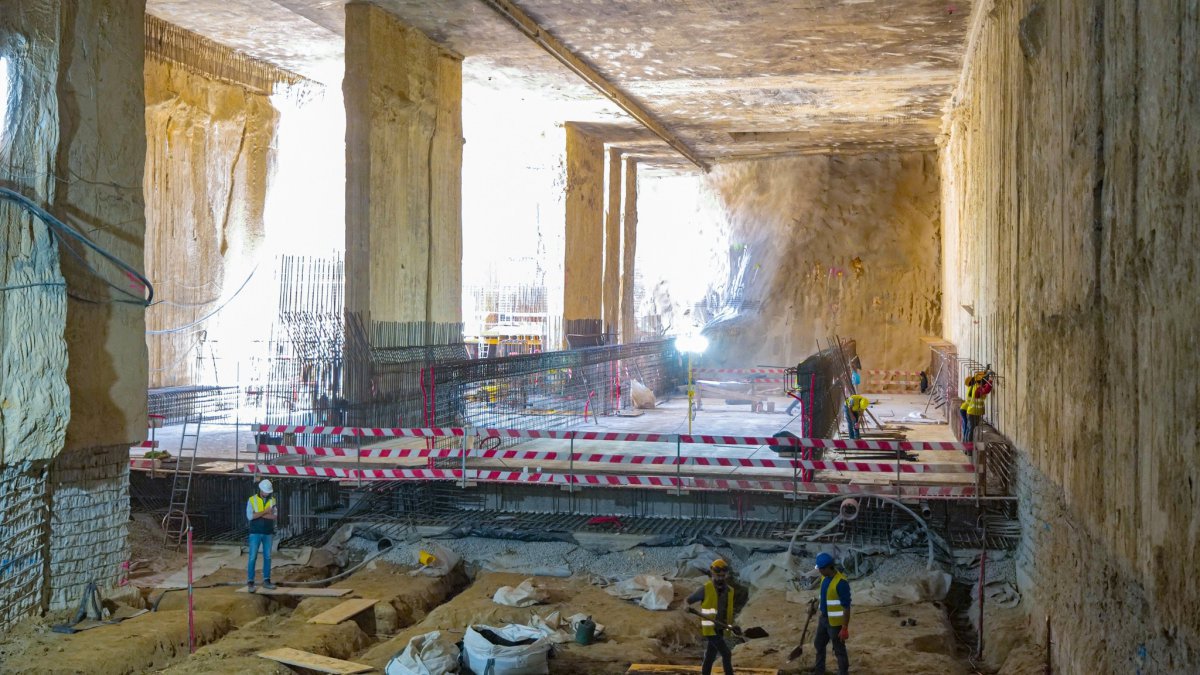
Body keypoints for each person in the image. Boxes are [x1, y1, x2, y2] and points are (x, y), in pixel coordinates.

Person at [686, 558, 736, 675]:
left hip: (720, 628)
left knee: (710, 655)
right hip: (710, 629)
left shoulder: (730, 591)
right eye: (718, 576)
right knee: (726, 653)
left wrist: (732, 626)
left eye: (723, 576)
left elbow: (728, 611)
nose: (720, 578)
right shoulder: (706, 589)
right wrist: (686, 606)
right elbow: (688, 600)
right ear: (712, 574)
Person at [813, 552, 851, 675]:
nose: (819, 571)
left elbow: (846, 607)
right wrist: (815, 605)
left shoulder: (841, 583)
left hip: (835, 624)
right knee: (819, 644)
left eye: (820, 569)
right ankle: (819, 672)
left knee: (839, 649)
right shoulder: (824, 578)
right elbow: (824, 596)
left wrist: (844, 628)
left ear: (827, 568)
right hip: (824, 619)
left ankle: (843, 673)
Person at [246, 479, 278, 592]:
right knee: (252, 557)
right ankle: (250, 582)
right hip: (255, 532)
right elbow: (250, 516)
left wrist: (258, 514)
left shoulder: (272, 500)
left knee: (267, 557)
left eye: (268, 492)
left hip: (268, 532)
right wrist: (265, 511)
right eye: (265, 491)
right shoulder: (252, 500)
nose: (267, 493)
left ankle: (267, 581)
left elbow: (274, 516)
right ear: (260, 489)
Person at [960, 371, 993, 443]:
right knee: (972, 429)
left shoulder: (975, 386)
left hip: (973, 411)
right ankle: (969, 446)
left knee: (969, 428)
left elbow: (984, 386)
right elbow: (986, 389)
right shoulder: (977, 388)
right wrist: (990, 380)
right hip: (973, 412)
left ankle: (966, 444)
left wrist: (986, 372)